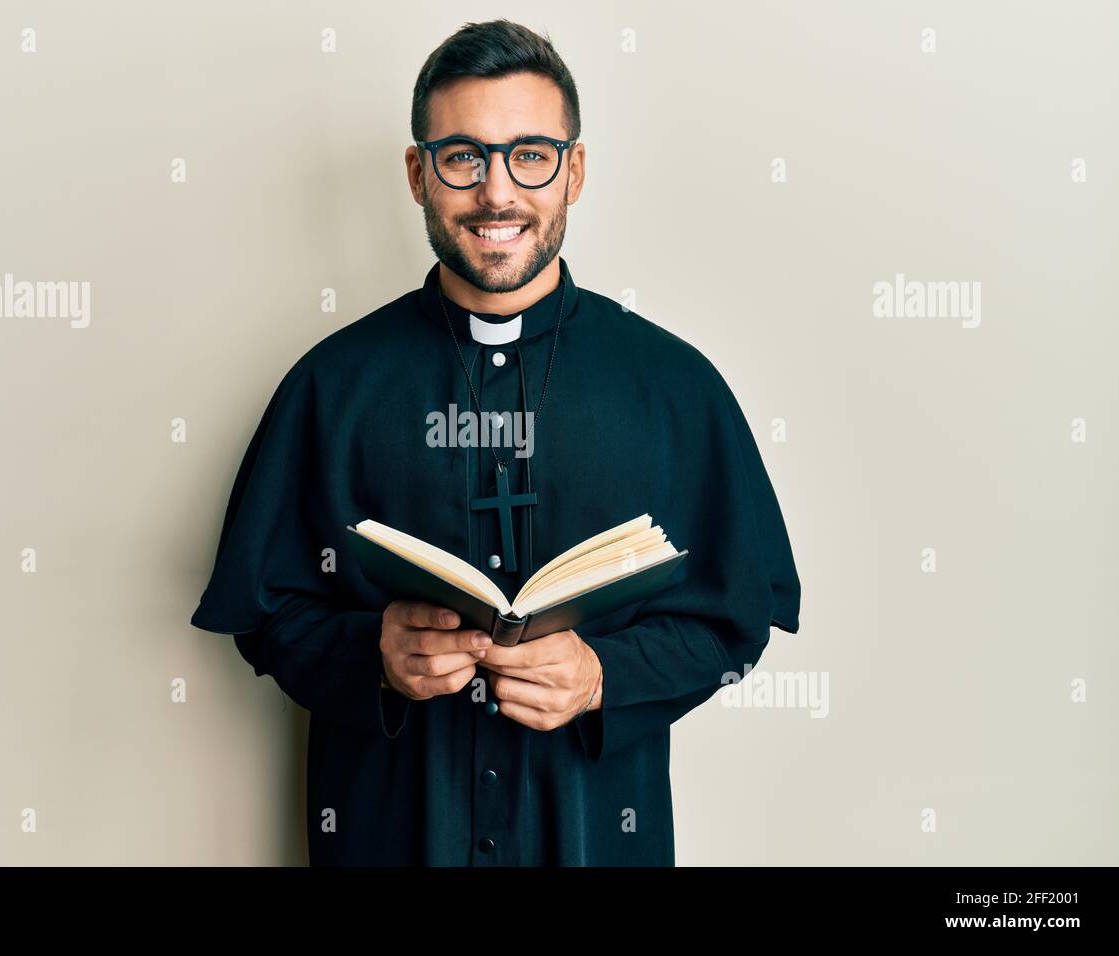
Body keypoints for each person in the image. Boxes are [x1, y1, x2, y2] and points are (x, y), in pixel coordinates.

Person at [190, 18, 801, 866]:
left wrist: (603, 677)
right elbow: (263, 612)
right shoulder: (332, 386)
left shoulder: (674, 387)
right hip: (390, 836)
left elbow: (733, 618)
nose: (497, 193)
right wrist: (371, 653)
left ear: (573, 171)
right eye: (464, 157)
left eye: (530, 155)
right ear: (418, 174)